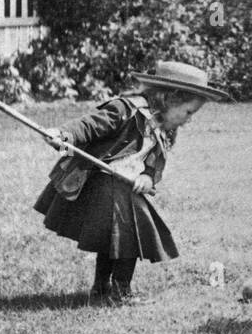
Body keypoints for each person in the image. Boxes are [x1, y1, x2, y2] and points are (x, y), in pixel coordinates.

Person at [34, 60, 230, 304]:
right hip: (105, 183)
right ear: (171, 98)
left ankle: (103, 289)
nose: (189, 119)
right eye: (189, 112)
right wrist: (65, 135)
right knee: (127, 239)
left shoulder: (164, 127)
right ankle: (119, 292)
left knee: (113, 239)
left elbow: (154, 160)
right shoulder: (124, 109)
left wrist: (147, 177)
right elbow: (90, 125)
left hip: (126, 185)